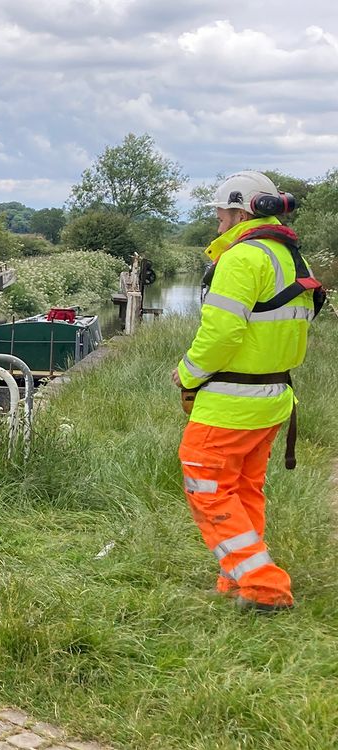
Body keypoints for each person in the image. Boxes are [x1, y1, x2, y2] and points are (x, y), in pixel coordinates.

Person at [172, 170, 323, 612]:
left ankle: (263, 585)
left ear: (241, 210)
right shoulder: (292, 258)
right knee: (243, 489)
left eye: (220, 216)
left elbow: (221, 334)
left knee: (207, 484)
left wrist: (186, 373)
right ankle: (235, 579)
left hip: (231, 404)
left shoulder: (242, 258)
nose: (217, 224)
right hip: (273, 397)